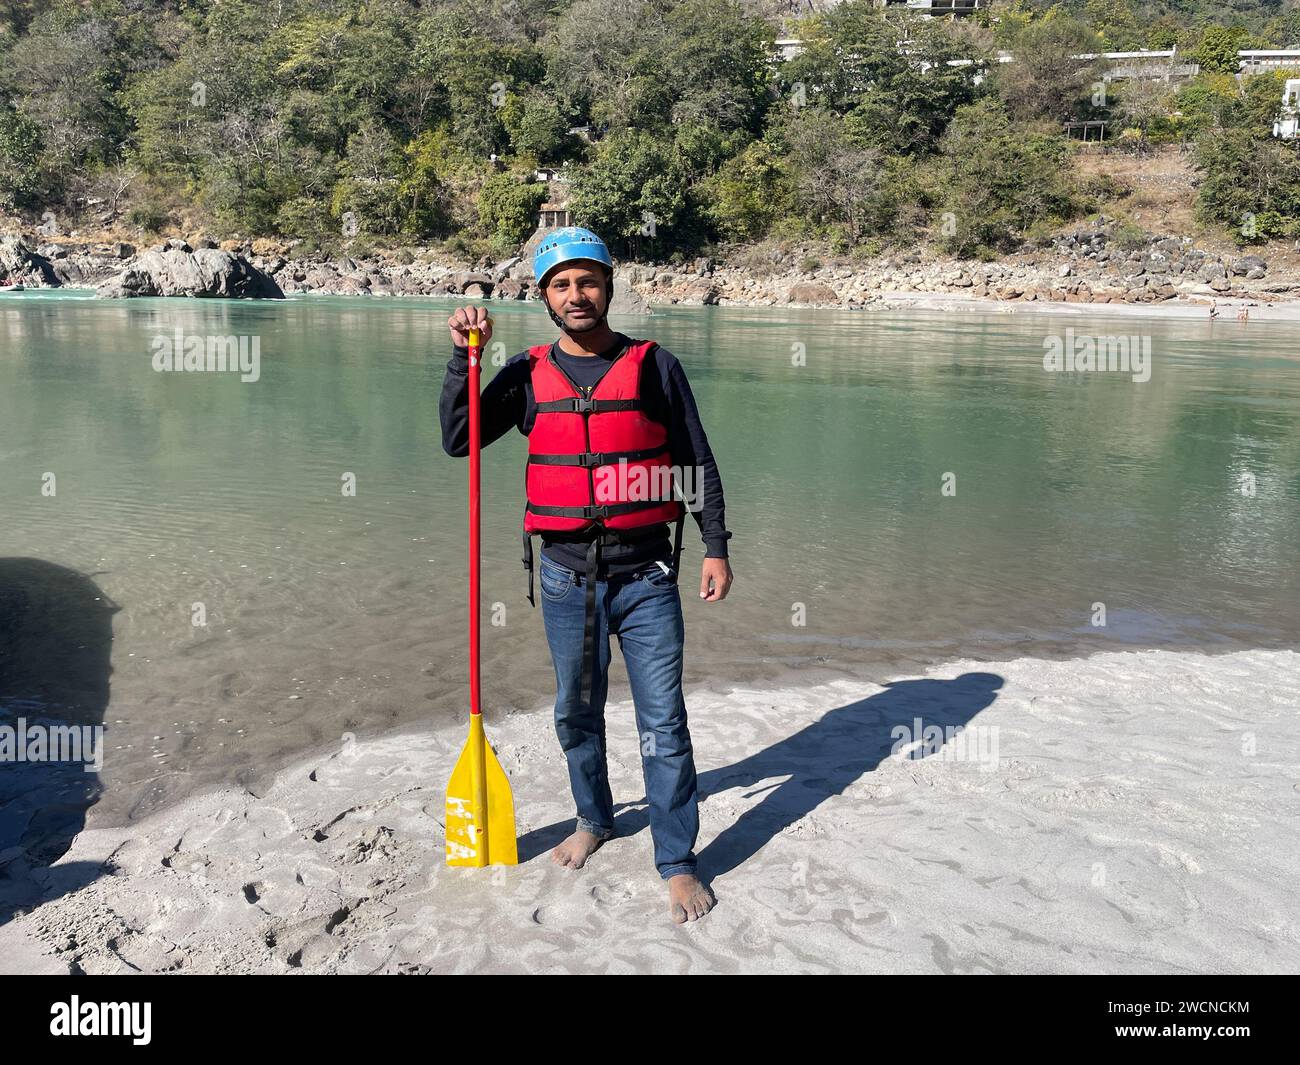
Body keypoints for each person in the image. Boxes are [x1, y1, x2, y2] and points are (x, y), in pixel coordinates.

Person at [440, 227, 733, 923]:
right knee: (577, 711)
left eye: (588, 280)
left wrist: (715, 544)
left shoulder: (655, 365)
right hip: (566, 580)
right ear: (544, 296)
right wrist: (463, 361)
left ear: (609, 284)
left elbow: (697, 459)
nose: (577, 294)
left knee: (664, 720)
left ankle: (677, 859)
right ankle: (594, 818)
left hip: (649, 578)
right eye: (561, 284)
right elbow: (459, 439)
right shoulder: (523, 372)